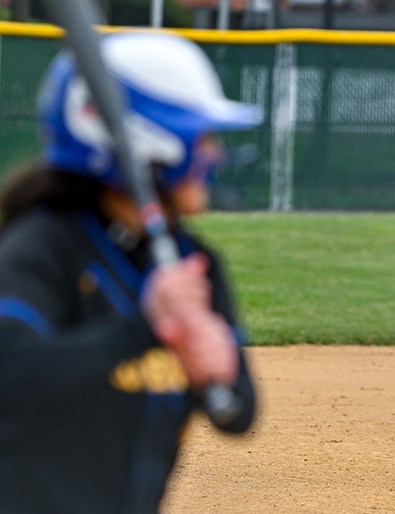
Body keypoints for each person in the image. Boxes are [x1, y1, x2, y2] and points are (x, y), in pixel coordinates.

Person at [0, 32, 261, 512]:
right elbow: (11, 379)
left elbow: (237, 412)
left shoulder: (188, 263)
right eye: (202, 137)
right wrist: (142, 329)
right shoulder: (41, 249)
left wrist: (218, 371)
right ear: (150, 141)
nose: (215, 155)